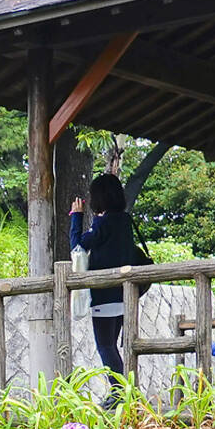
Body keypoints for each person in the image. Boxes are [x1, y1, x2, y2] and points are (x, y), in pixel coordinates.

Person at [68, 173, 141, 404]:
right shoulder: (125, 221)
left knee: (106, 346)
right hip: (124, 294)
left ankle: (121, 393)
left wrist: (76, 217)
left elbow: (77, 246)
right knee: (113, 345)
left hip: (104, 294)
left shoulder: (104, 222)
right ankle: (122, 392)